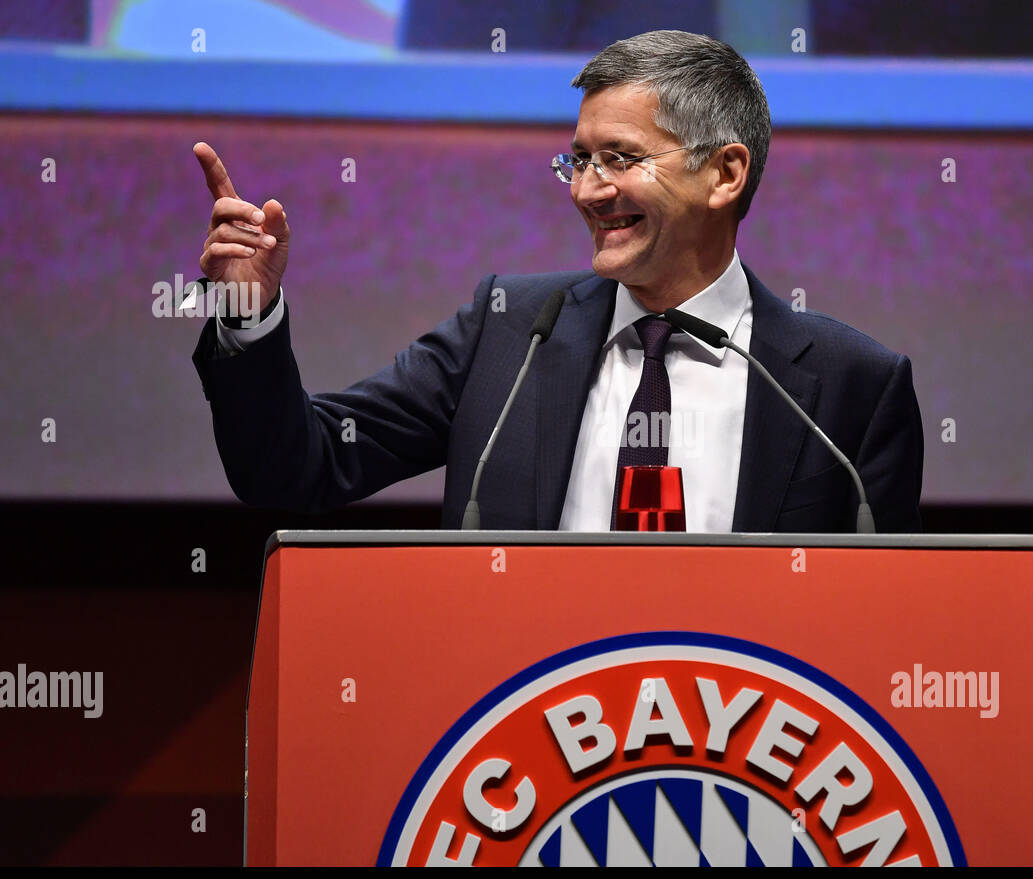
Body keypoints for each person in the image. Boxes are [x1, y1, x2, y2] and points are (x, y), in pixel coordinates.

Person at [190, 30, 923, 533]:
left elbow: (878, 628)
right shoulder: (507, 333)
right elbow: (295, 471)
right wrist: (243, 313)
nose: (587, 191)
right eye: (579, 160)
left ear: (724, 174)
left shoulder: (852, 387)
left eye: (620, 159)